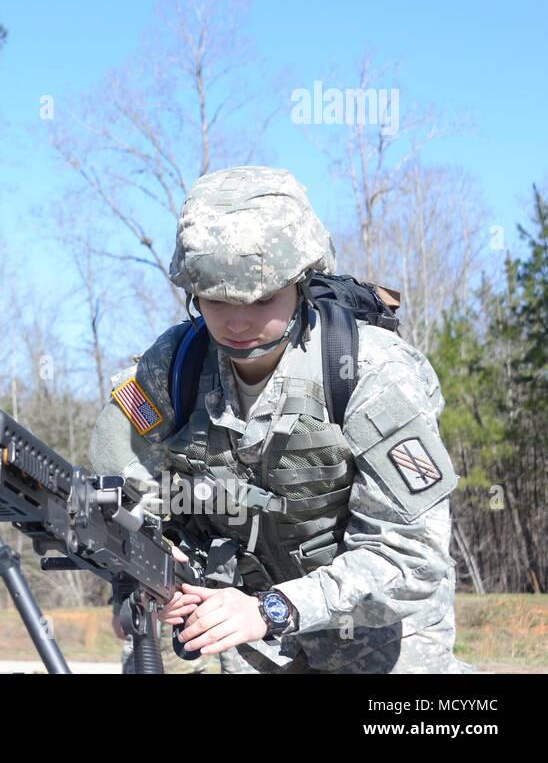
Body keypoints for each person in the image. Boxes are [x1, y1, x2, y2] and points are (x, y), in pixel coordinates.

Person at [91, 166, 471, 673]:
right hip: (233, 617)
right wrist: (138, 581)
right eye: (217, 301)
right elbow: (117, 496)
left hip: (372, 624)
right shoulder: (173, 369)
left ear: (302, 283)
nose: (239, 321)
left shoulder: (371, 371)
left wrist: (274, 609)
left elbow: (410, 557)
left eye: (261, 298)